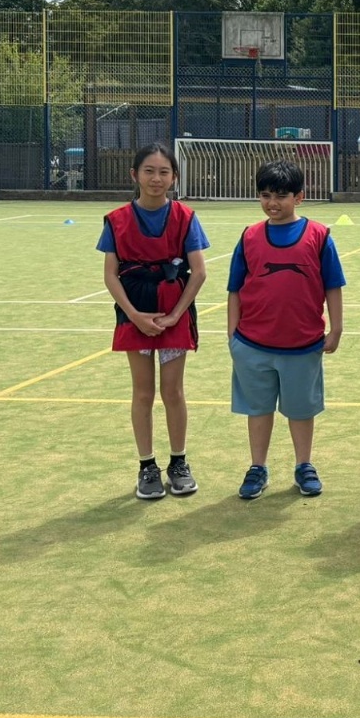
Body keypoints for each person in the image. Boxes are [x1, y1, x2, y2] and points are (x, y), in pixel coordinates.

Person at [228, 160, 345, 501]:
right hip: (253, 344)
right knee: (258, 408)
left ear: (300, 197)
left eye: (281, 196)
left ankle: (304, 465)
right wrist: (232, 336)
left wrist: (336, 328)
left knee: (300, 409)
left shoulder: (319, 236)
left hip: (303, 344)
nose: (272, 203)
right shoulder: (249, 236)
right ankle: (257, 467)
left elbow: (333, 286)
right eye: (265, 195)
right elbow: (235, 288)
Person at [99, 143, 209, 500]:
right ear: (135, 175)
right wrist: (133, 314)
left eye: (164, 172)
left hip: (172, 311)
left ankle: (179, 462)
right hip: (135, 313)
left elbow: (199, 272)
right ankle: (147, 466)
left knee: (173, 391)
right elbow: (111, 276)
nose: (156, 178)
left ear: (174, 177)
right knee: (143, 392)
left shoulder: (186, 217)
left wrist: (176, 314)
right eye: (149, 171)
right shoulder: (116, 220)